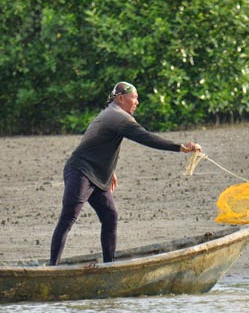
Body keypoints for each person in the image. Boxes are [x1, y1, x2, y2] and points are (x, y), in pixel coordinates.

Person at [49, 81, 201, 265]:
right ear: (121, 98)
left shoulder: (113, 114)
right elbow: (145, 137)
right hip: (80, 171)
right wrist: (180, 147)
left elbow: (98, 143)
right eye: (134, 98)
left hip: (99, 175)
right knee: (68, 219)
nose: (137, 102)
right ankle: (52, 268)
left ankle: (109, 266)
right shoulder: (117, 116)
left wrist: (110, 170)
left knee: (110, 217)